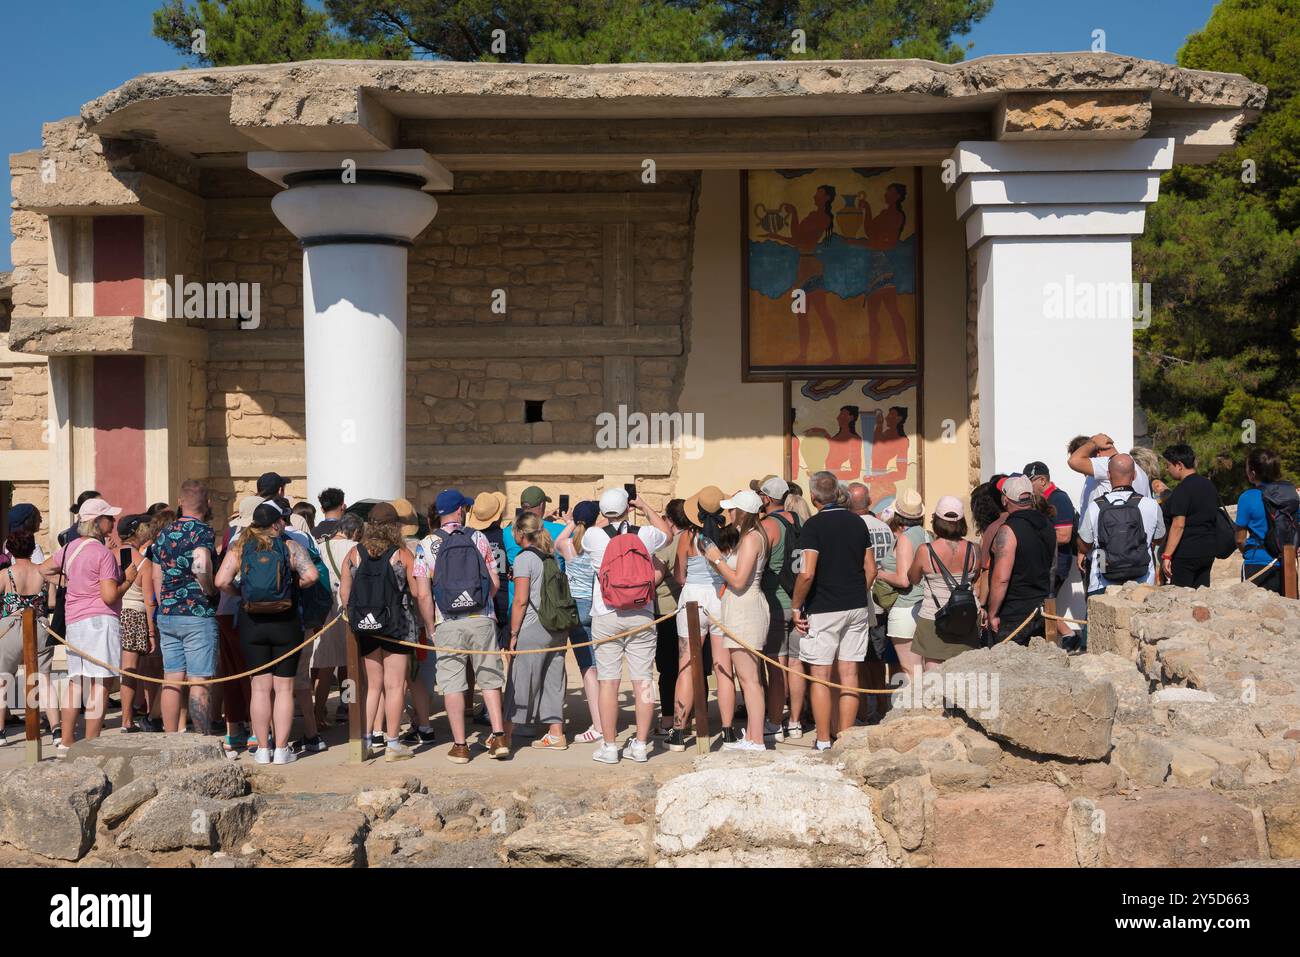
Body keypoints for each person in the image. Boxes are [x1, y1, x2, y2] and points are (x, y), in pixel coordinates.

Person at [215, 502, 319, 765]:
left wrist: (242, 594)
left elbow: (220, 582)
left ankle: (263, 748)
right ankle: (283, 749)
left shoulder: (240, 547)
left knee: (259, 687)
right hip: (286, 620)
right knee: (284, 688)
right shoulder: (289, 547)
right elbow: (312, 576)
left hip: (252, 621)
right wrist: (292, 589)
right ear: (275, 524)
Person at [339, 502, 435, 762]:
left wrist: (355, 616)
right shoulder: (402, 553)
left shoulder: (354, 553)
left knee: (373, 686)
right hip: (398, 624)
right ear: (395, 526)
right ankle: (393, 744)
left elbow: (345, 592)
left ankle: (368, 740)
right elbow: (416, 591)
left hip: (366, 626)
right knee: (395, 687)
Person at [41, 498, 139, 752]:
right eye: (109, 518)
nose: (114, 522)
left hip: (75, 620)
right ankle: (92, 743)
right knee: (101, 682)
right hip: (100, 620)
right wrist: (128, 580)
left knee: (77, 681)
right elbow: (109, 595)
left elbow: (44, 569)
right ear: (97, 522)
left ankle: (66, 740)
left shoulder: (71, 547)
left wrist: (68, 583)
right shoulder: (102, 553)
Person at [790, 471, 876, 751]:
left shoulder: (813, 526)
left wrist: (795, 606)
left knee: (821, 676)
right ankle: (847, 740)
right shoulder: (858, 522)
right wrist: (856, 590)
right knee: (850, 673)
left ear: (814, 497)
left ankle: (824, 738)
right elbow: (871, 568)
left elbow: (806, 573)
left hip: (824, 606)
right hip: (855, 604)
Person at [587, 488, 672, 765]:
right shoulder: (645, 534)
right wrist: (644, 505)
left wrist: (605, 521)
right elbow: (667, 534)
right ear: (628, 508)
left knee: (608, 683)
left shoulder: (594, 536)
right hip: (641, 612)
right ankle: (642, 744)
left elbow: (585, 542)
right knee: (643, 681)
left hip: (606, 613)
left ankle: (610, 746)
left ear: (602, 511)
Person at [418, 490, 504, 763]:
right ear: (458, 510)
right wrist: (480, 604)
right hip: (482, 618)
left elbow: (422, 593)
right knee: (489, 678)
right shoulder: (478, 538)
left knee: (453, 683)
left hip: (447, 621)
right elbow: (495, 583)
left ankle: (460, 745)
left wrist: (431, 626)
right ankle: (499, 737)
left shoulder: (425, 544)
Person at [702, 490, 770, 752]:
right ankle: (753, 736)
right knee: (749, 678)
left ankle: (757, 739)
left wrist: (716, 558)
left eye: (732, 509)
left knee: (749, 679)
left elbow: (739, 581)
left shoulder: (752, 538)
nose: (728, 513)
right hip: (742, 607)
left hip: (746, 608)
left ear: (741, 513)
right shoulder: (751, 536)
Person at [150, 480, 220, 735]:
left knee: (172, 678)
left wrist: (165, 602)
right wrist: (209, 589)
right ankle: (202, 737)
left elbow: (156, 574)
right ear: (208, 504)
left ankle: (170, 736)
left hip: (168, 614)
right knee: (199, 679)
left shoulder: (164, 533)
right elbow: (200, 562)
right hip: (197, 613)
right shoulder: (203, 532)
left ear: (180, 502)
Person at [504, 513, 570, 751]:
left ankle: (506, 735)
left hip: (534, 626)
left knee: (519, 681)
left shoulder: (524, 559)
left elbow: (521, 600)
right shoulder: (549, 555)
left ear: (520, 533)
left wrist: (513, 633)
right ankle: (555, 734)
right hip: (556, 626)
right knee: (554, 679)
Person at [668, 488, 728, 749]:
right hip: (719, 596)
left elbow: (679, 575)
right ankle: (728, 730)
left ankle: (679, 731)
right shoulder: (728, 536)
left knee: (686, 665)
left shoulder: (688, 537)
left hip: (692, 595)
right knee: (723, 666)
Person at [1077, 455, 1166, 611]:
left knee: (1095, 632)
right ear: (1134, 475)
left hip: (1102, 580)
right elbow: (1159, 540)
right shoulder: (1151, 505)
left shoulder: (1095, 506)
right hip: (1143, 581)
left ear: (1109, 475)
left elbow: (1085, 546)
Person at [757, 476, 805, 740]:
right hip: (799, 601)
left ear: (766, 498)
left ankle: (775, 722)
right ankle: (796, 722)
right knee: (796, 664)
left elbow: (757, 563)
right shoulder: (800, 521)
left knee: (776, 666)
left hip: (775, 601)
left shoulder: (768, 526)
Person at [0, 529, 59, 743]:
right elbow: (51, 603)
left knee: (3, 680)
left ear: (11, 550)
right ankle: (56, 730)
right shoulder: (44, 572)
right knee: (44, 679)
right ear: (33, 548)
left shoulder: (5, 574)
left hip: (10, 627)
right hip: (40, 625)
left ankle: (1, 733)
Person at [908, 497, 982, 667]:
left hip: (933, 616)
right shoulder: (974, 549)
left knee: (934, 675)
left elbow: (913, 579)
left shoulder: (925, 550)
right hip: (967, 615)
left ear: (937, 521)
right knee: (965, 671)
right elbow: (976, 578)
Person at [555, 500, 604, 744]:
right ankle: (603, 720)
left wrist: (571, 521)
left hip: (575, 606)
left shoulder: (567, 546)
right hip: (597, 606)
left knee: (587, 668)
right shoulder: (600, 543)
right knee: (601, 665)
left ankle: (598, 724)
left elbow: (557, 542)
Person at [985, 476, 1055, 644]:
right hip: (1041, 609)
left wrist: (992, 612)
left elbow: (1002, 578)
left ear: (1005, 499)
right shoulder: (1047, 524)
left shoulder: (1008, 530)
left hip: (1013, 615)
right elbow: (1053, 567)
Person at [848, 482, 896, 721]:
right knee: (876, 659)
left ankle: (866, 709)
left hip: (861, 599)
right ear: (868, 502)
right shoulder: (884, 528)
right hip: (884, 598)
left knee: (859, 660)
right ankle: (880, 704)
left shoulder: (850, 527)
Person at [1024, 462, 1080, 644]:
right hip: (1047, 563)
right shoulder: (1043, 499)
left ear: (1042, 480)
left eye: (1030, 481)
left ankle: (1068, 635)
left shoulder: (1059, 499)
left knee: (1041, 602)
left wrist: (1033, 535)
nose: (1027, 486)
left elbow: (1064, 535)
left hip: (1057, 563)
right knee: (1040, 602)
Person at [877, 489, 929, 679]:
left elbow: (903, 579)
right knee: (921, 669)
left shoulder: (906, 538)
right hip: (922, 606)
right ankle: (927, 707)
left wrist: (879, 574)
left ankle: (919, 708)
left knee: (911, 670)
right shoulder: (925, 535)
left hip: (905, 607)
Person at [315, 512, 361, 727]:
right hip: (348, 612)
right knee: (351, 665)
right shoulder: (355, 548)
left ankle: (319, 712)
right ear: (356, 531)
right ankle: (349, 709)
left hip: (325, 613)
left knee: (325, 667)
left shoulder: (320, 547)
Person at [115, 515, 158, 734]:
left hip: (113, 613)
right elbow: (150, 601)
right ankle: (126, 720)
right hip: (135, 614)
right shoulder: (144, 563)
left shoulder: (109, 555)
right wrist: (152, 633)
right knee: (131, 671)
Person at [1159, 445, 1220, 588]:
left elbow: (1178, 524)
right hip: (1208, 550)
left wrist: (1167, 556)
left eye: (1168, 465)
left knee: (1182, 598)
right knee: (1201, 595)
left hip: (1186, 552)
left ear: (1179, 465)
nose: (1167, 470)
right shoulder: (1208, 485)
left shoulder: (1183, 489)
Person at [1235, 448, 1287, 594]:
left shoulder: (1247, 497)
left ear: (1252, 473)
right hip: (1285, 563)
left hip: (1256, 562)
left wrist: (1248, 552)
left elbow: (1240, 539)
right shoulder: (1289, 495)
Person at [1069, 433, 1153, 509]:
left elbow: (1074, 461)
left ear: (1097, 452)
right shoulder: (1140, 471)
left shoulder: (1107, 464)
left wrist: (1093, 442)